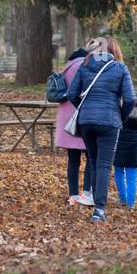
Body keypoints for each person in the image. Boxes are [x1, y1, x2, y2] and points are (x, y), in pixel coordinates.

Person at [65, 35, 137, 224]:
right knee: (104, 164)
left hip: (87, 122)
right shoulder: (120, 68)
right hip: (109, 122)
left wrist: (84, 109)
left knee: (95, 161)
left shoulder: (85, 66)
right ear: (115, 51)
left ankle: (97, 202)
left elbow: (72, 93)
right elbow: (130, 99)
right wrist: (120, 116)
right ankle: (99, 208)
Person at [54, 48, 94, 206]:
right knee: (90, 157)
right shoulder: (82, 67)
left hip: (67, 119)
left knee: (73, 160)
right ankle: (86, 192)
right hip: (81, 116)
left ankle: (73, 195)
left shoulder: (66, 68)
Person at [113, 97, 137, 208]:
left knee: (118, 173)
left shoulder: (120, 113)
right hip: (135, 148)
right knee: (132, 177)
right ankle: (131, 203)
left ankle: (123, 198)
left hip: (119, 146)